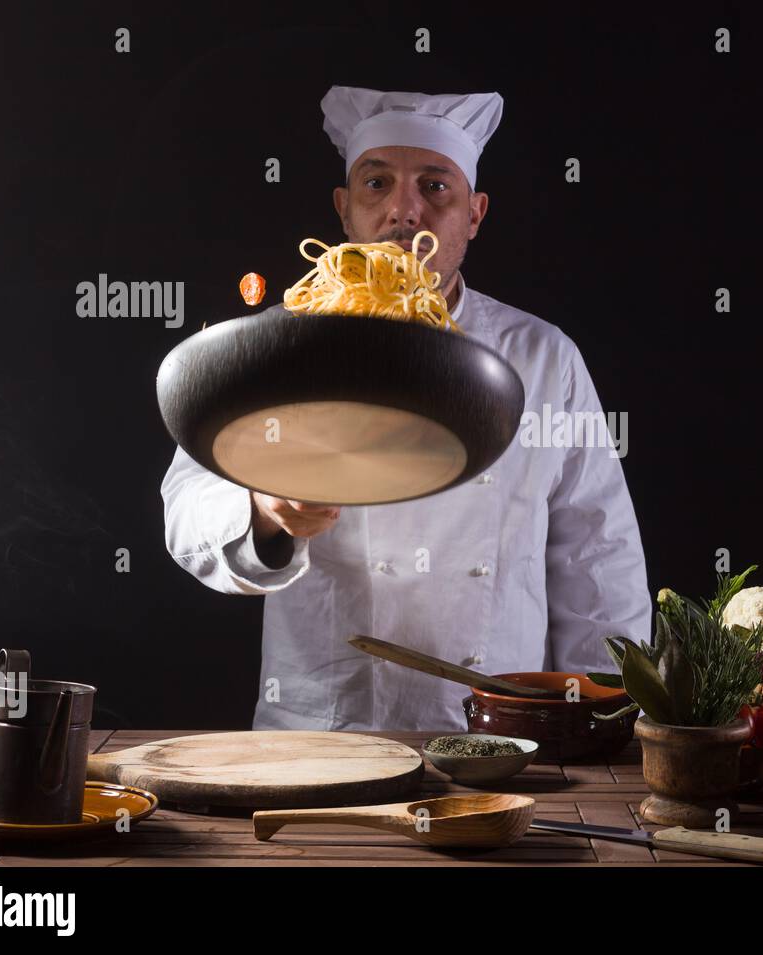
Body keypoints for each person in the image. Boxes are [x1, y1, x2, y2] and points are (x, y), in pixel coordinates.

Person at [160, 87, 651, 731]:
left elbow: (598, 556)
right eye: (377, 182)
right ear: (345, 208)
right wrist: (262, 511)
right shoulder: (282, 342)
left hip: (497, 739)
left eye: (435, 186)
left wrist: (607, 722)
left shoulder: (542, 358)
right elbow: (186, 508)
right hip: (321, 738)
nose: (403, 210)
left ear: (474, 213)